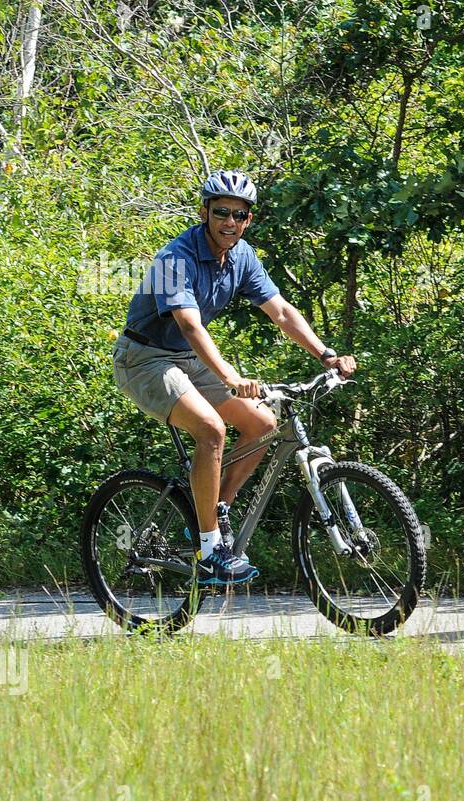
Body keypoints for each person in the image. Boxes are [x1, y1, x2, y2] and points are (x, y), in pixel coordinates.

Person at [113, 169, 357, 584]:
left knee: (262, 424)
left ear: (248, 220)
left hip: (188, 359)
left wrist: (326, 355)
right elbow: (190, 325)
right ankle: (209, 550)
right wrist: (229, 376)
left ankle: (214, 513)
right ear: (205, 212)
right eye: (222, 212)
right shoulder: (175, 259)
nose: (230, 222)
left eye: (239, 215)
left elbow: (280, 312)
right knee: (211, 430)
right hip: (145, 358)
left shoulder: (243, 257)